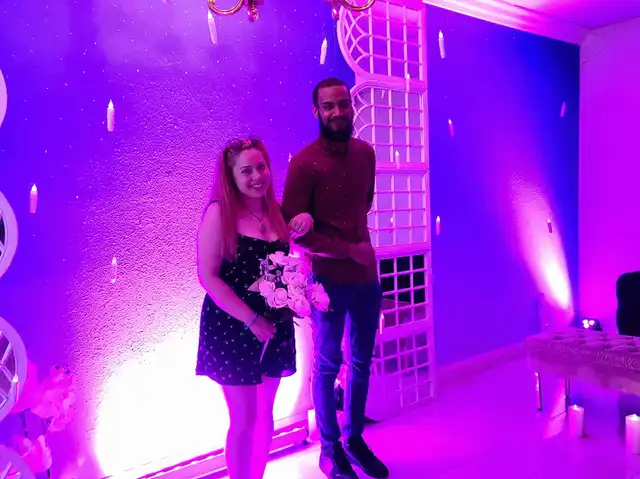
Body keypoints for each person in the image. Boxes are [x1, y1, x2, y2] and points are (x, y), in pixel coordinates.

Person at [283, 78, 389, 479]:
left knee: (362, 362)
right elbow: (295, 233)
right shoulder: (304, 163)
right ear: (317, 111)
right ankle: (329, 450)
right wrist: (347, 250)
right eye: (329, 106)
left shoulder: (365, 153)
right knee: (328, 365)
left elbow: (363, 204)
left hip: (366, 278)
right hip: (326, 280)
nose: (338, 112)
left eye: (343, 104)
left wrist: (357, 254)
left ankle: (354, 439)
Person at [196, 137, 313, 479]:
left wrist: (306, 220)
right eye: (246, 171)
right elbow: (208, 277)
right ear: (231, 176)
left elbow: (283, 261)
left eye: (261, 167)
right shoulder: (219, 213)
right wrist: (251, 319)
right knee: (244, 418)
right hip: (232, 325)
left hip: (274, 323)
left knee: (264, 414)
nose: (257, 176)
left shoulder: (275, 210)